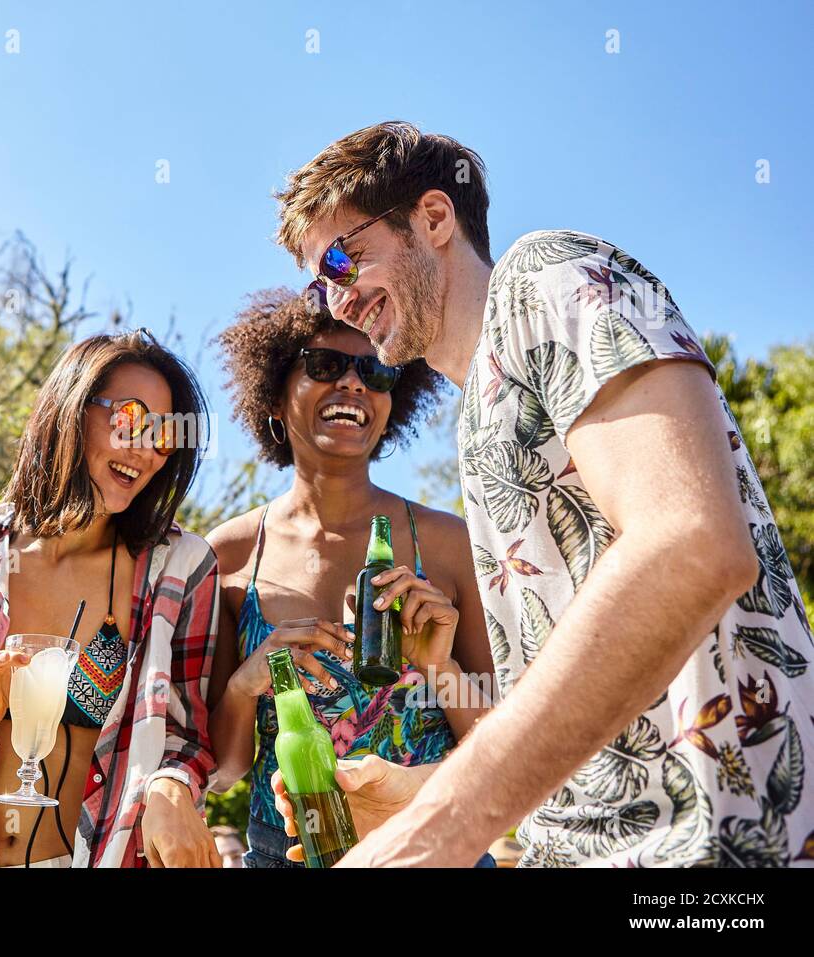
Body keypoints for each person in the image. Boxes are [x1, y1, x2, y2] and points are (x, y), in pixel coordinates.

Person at [270, 119, 814, 867]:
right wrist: (420, 797)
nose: (336, 298)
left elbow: (692, 543)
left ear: (433, 218)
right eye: (318, 281)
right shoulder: (480, 420)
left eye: (343, 256)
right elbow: (596, 746)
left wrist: (443, 825)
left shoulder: (544, 274)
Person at [0, 330, 223, 868]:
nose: (146, 449)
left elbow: (186, 739)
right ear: (71, 408)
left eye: (163, 434)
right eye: (129, 419)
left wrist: (170, 787)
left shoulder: (179, 568)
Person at [206, 287, 496, 867]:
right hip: (282, 850)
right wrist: (244, 686)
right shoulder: (232, 554)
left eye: (376, 371)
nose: (354, 383)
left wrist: (440, 667)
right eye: (325, 365)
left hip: (431, 845)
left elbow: (498, 740)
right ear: (274, 397)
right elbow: (222, 771)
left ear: (393, 401)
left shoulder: (447, 543)